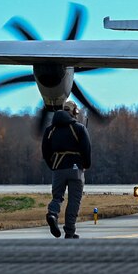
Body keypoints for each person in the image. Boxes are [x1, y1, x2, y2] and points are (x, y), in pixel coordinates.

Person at [42, 100, 92, 239]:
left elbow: (45, 151)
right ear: (74, 112)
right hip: (76, 169)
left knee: (57, 197)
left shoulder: (50, 130)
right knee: (74, 201)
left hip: (58, 168)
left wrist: (52, 165)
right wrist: (86, 165)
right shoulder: (79, 128)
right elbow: (87, 149)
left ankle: (52, 214)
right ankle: (69, 231)